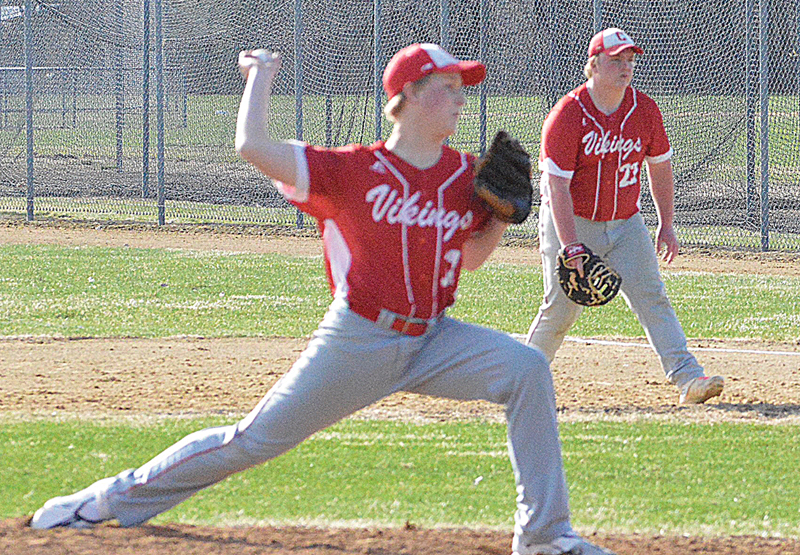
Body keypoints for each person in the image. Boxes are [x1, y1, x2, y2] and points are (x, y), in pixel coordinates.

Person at [30, 43, 616, 555]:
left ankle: (544, 536)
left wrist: (497, 221)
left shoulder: (464, 175)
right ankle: (105, 500)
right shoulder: (353, 171)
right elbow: (252, 146)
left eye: (463, 87)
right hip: (359, 339)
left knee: (527, 369)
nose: (462, 98)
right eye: (447, 88)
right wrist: (260, 75)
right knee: (252, 441)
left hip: (435, 336)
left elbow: (470, 258)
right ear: (407, 97)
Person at [526, 27, 724, 405]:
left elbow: (660, 166)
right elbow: (556, 189)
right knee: (560, 308)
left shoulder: (644, 110)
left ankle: (688, 379)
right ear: (594, 64)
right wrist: (571, 246)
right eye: (616, 59)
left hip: (626, 222)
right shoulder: (568, 115)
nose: (625, 66)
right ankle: (522, 381)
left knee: (653, 297)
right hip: (573, 219)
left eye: (630, 59)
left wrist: (666, 223)